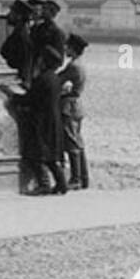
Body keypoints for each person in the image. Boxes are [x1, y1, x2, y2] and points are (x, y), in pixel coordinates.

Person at [5, 48, 68, 195]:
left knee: (37, 155)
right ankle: (61, 183)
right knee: (51, 156)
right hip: (52, 119)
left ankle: (44, 184)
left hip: (41, 121)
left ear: (44, 61)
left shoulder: (43, 79)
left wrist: (12, 96)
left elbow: (31, 99)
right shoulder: (53, 78)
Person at [61, 33, 90, 190]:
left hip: (69, 106)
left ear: (73, 48)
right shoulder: (80, 64)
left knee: (71, 143)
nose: (65, 48)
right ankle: (83, 177)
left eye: (68, 46)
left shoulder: (73, 66)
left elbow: (58, 78)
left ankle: (76, 179)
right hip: (77, 106)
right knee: (78, 142)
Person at [28, 0, 66, 79]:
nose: (42, 11)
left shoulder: (56, 32)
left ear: (51, 13)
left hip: (44, 69)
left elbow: (59, 59)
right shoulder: (38, 28)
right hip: (32, 65)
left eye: (45, 9)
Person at [0, 0, 33, 85]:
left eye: (12, 12)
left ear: (19, 16)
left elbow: (24, 63)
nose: (8, 15)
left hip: (17, 81)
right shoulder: (18, 33)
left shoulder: (21, 36)